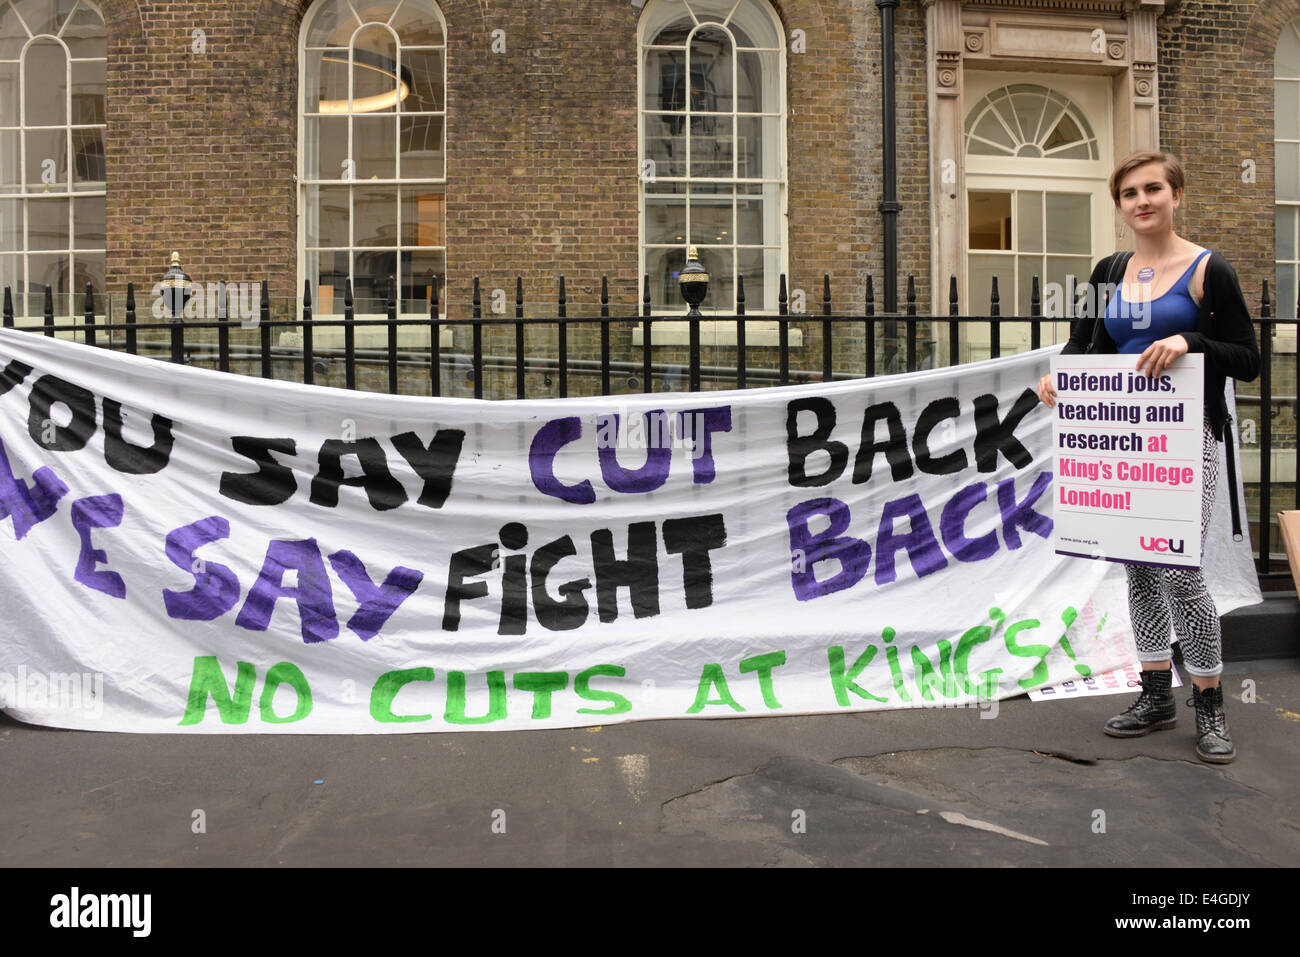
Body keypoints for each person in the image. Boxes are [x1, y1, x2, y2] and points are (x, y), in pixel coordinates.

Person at [1036, 150, 1260, 764]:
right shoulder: (1108, 271)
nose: (1141, 201)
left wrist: (1188, 339)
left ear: (1176, 194)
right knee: (1137, 569)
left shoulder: (1209, 270)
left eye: (1153, 189)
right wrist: (1058, 377)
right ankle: (1156, 692)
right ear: (1120, 205)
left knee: (1180, 570)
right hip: (1121, 443)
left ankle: (1209, 703)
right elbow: (1085, 346)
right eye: (1129, 193)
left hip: (1187, 441)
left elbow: (1247, 356)